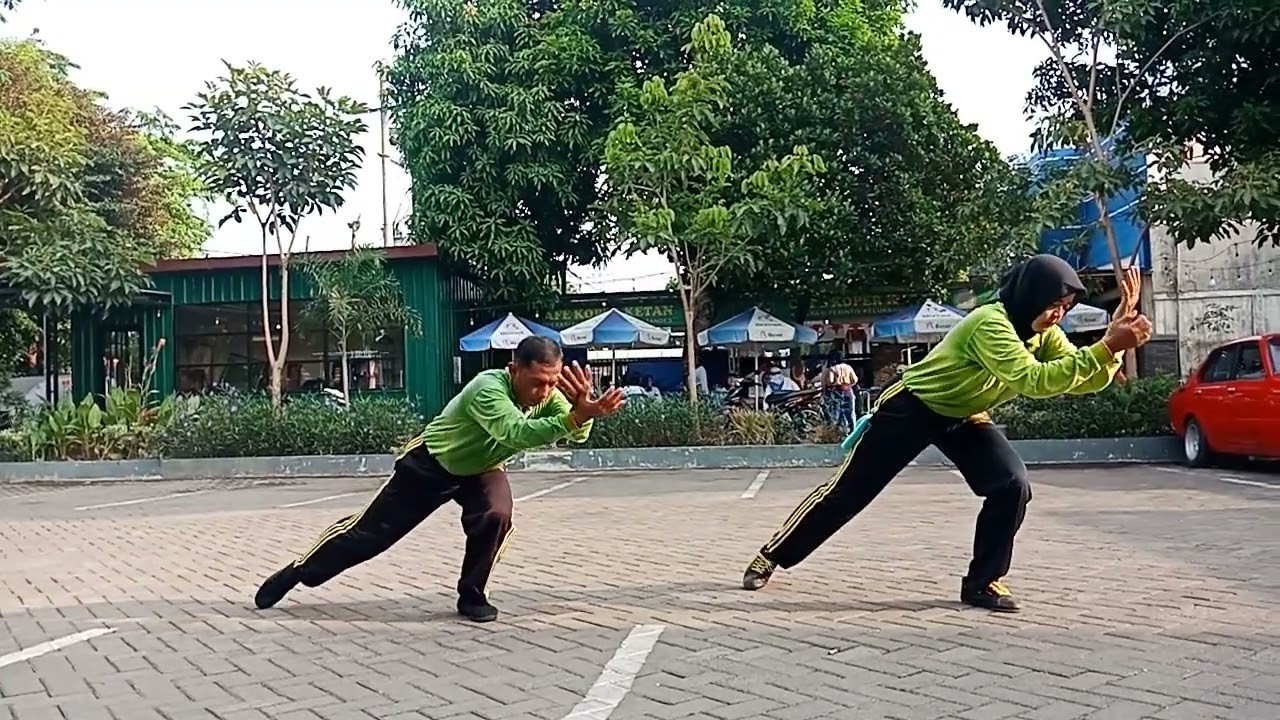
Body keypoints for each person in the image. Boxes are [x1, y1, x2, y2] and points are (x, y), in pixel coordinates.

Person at [740, 255, 1152, 613]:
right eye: (1054, 305)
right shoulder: (989, 323)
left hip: (965, 412)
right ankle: (771, 555)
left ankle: (982, 583)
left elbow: (1079, 380)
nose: (1058, 315)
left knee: (1011, 484)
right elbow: (1032, 380)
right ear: (1030, 296)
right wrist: (1105, 347)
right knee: (849, 493)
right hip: (913, 406)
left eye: (1066, 307)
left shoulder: (1045, 335)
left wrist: (1111, 347)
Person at [252, 336, 626, 623]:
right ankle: (299, 570)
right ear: (514, 369)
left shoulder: (550, 396)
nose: (544, 392)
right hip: (432, 463)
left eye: (552, 383)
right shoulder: (488, 388)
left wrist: (583, 411)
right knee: (369, 535)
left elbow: (575, 434)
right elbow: (513, 433)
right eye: (537, 382)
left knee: (496, 515)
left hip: (483, 468)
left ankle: (472, 594)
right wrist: (575, 417)